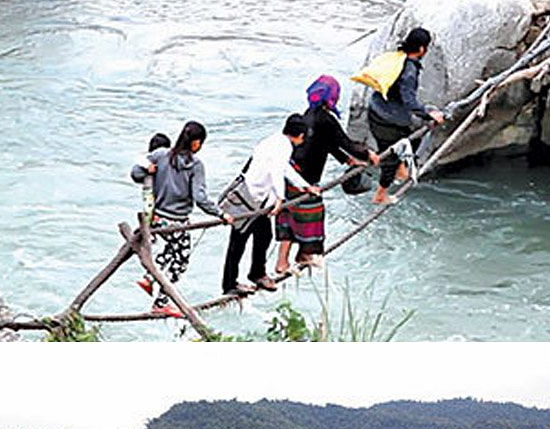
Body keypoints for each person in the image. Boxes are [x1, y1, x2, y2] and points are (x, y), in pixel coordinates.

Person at [275, 75, 380, 275]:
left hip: (290, 172)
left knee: (289, 216)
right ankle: (305, 254)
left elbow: (326, 143)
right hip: (304, 178)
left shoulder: (309, 114)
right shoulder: (326, 119)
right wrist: (368, 154)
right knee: (312, 213)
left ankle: (283, 262)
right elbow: (344, 142)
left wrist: (347, 160)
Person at [131, 122, 233, 316]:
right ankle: (161, 302)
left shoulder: (160, 155)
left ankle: (149, 278)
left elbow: (135, 172)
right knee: (181, 261)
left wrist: (148, 170)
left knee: (172, 250)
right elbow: (200, 198)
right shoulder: (196, 165)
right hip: (177, 222)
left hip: (157, 219)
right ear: (196, 143)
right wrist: (220, 214)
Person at [220, 114, 319, 296]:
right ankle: (230, 284)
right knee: (238, 242)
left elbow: (284, 169)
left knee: (264, 236)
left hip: (258, 200)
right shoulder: (284, 147)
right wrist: (280, 198)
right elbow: (276, 171)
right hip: (252, 201)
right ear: (300, 135)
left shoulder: (273, 140)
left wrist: (304, 186)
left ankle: (257, 274)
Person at [367, 27, 445, 205]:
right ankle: (380, 195)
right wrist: (428, 113)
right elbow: (409, 101)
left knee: (408, 138)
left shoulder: (398, 58)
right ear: (422, 49)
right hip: (388, 119)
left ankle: (401, 169)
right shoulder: (409, 70)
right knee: (391, 155)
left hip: (376, 109)